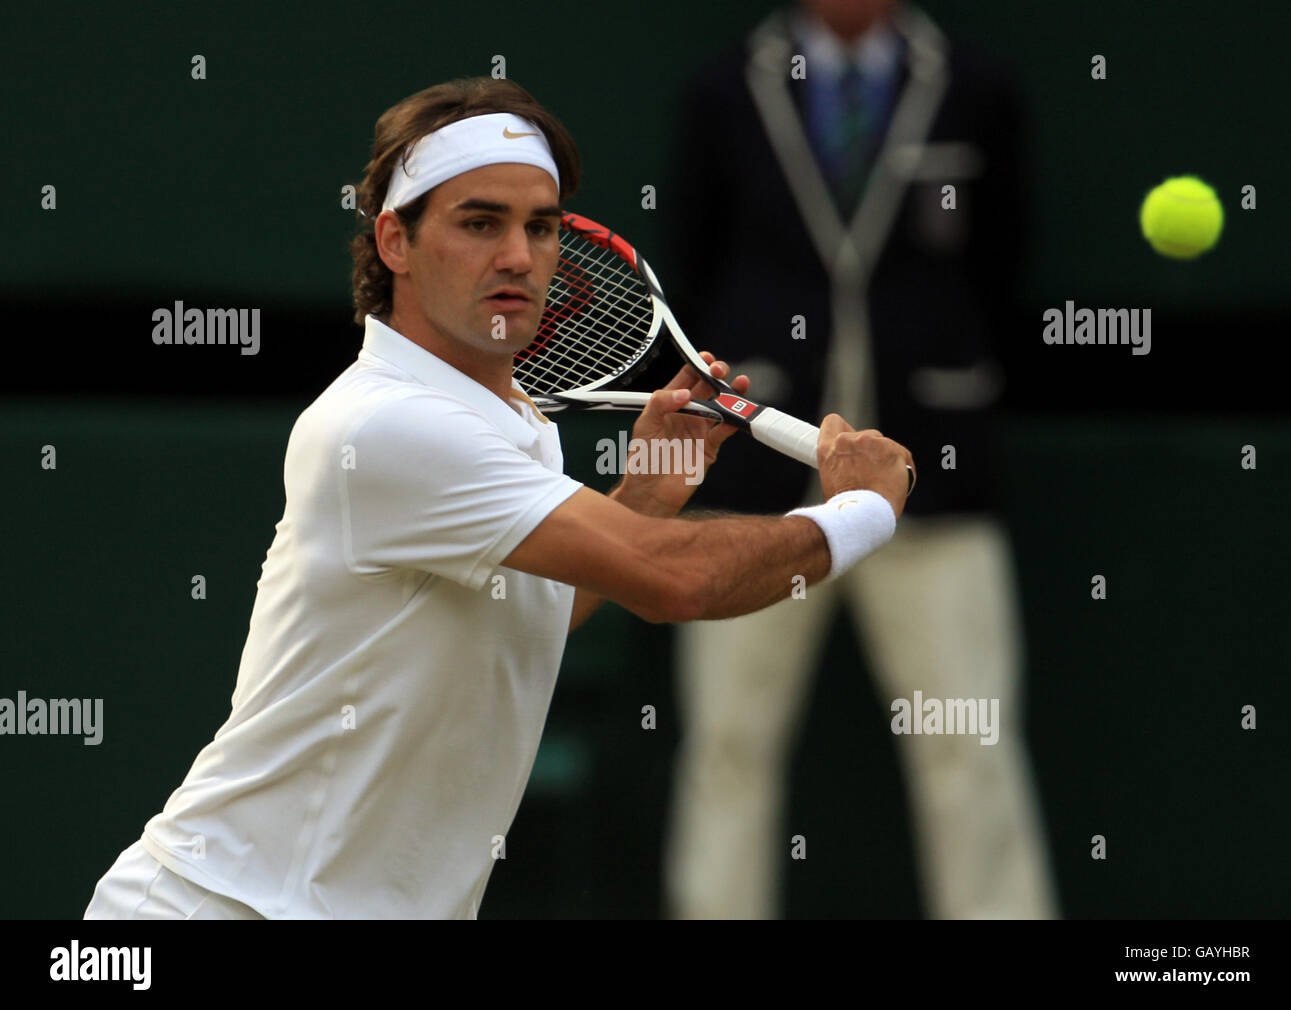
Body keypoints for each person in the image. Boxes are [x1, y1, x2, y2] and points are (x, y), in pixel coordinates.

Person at [82, 76, 915, 920]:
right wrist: (860, 511)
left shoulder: (512, 422)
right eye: (480, 222)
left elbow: (525, 611)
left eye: (541, 227)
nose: (518, 254)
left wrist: (642, 499)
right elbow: (676, 583)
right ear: (395, 243)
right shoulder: (390, 426)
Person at [663, 1, 1059, 918]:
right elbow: (698, 259)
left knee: (971, 740)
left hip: (933, 476)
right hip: (759, 481)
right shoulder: (724, 89)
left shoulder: (976, 84)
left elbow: (1002, 261)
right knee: (728, 740)